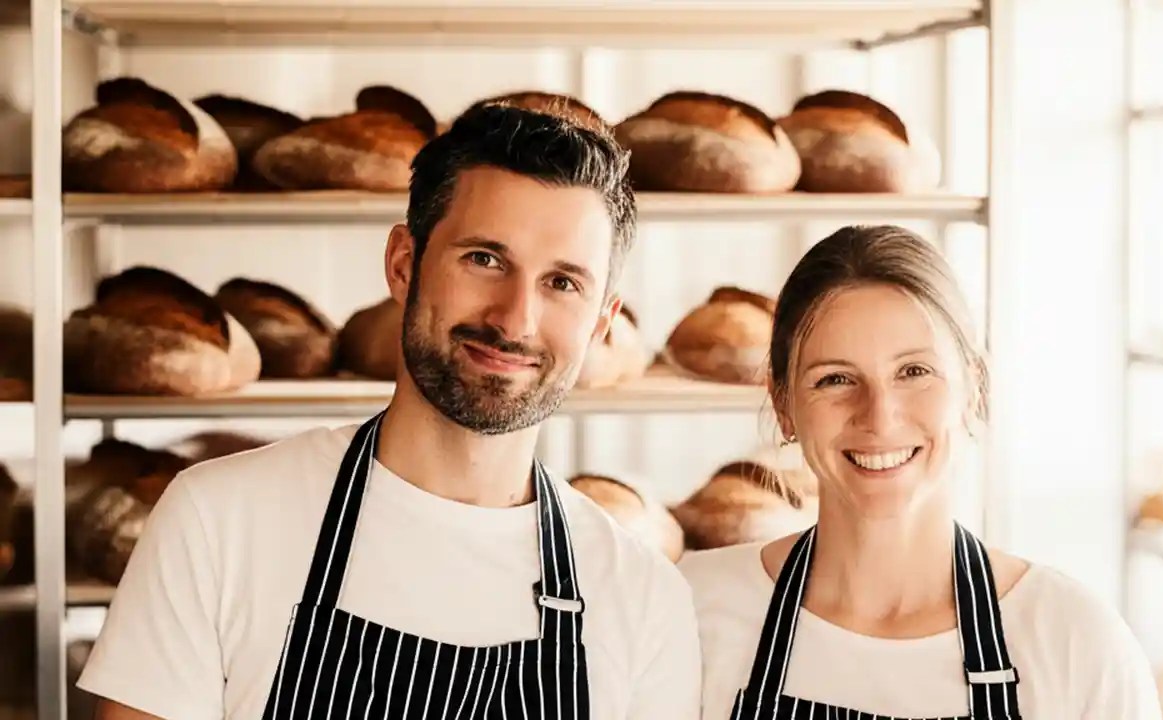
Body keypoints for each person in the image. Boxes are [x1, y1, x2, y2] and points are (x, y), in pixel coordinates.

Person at [77, 102, 702, 719]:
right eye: (484, 259)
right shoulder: (217, 521)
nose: (516, 319)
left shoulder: (642, 598)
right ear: (404, 264)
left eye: (562, 282)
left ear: (602, 322)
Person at [678, 225, 1163, 719]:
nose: (880, 416)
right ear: (783, 404)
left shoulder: (1075, 645)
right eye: (835, 379)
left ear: (973, 387)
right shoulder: (695, 610)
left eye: (914, 372)